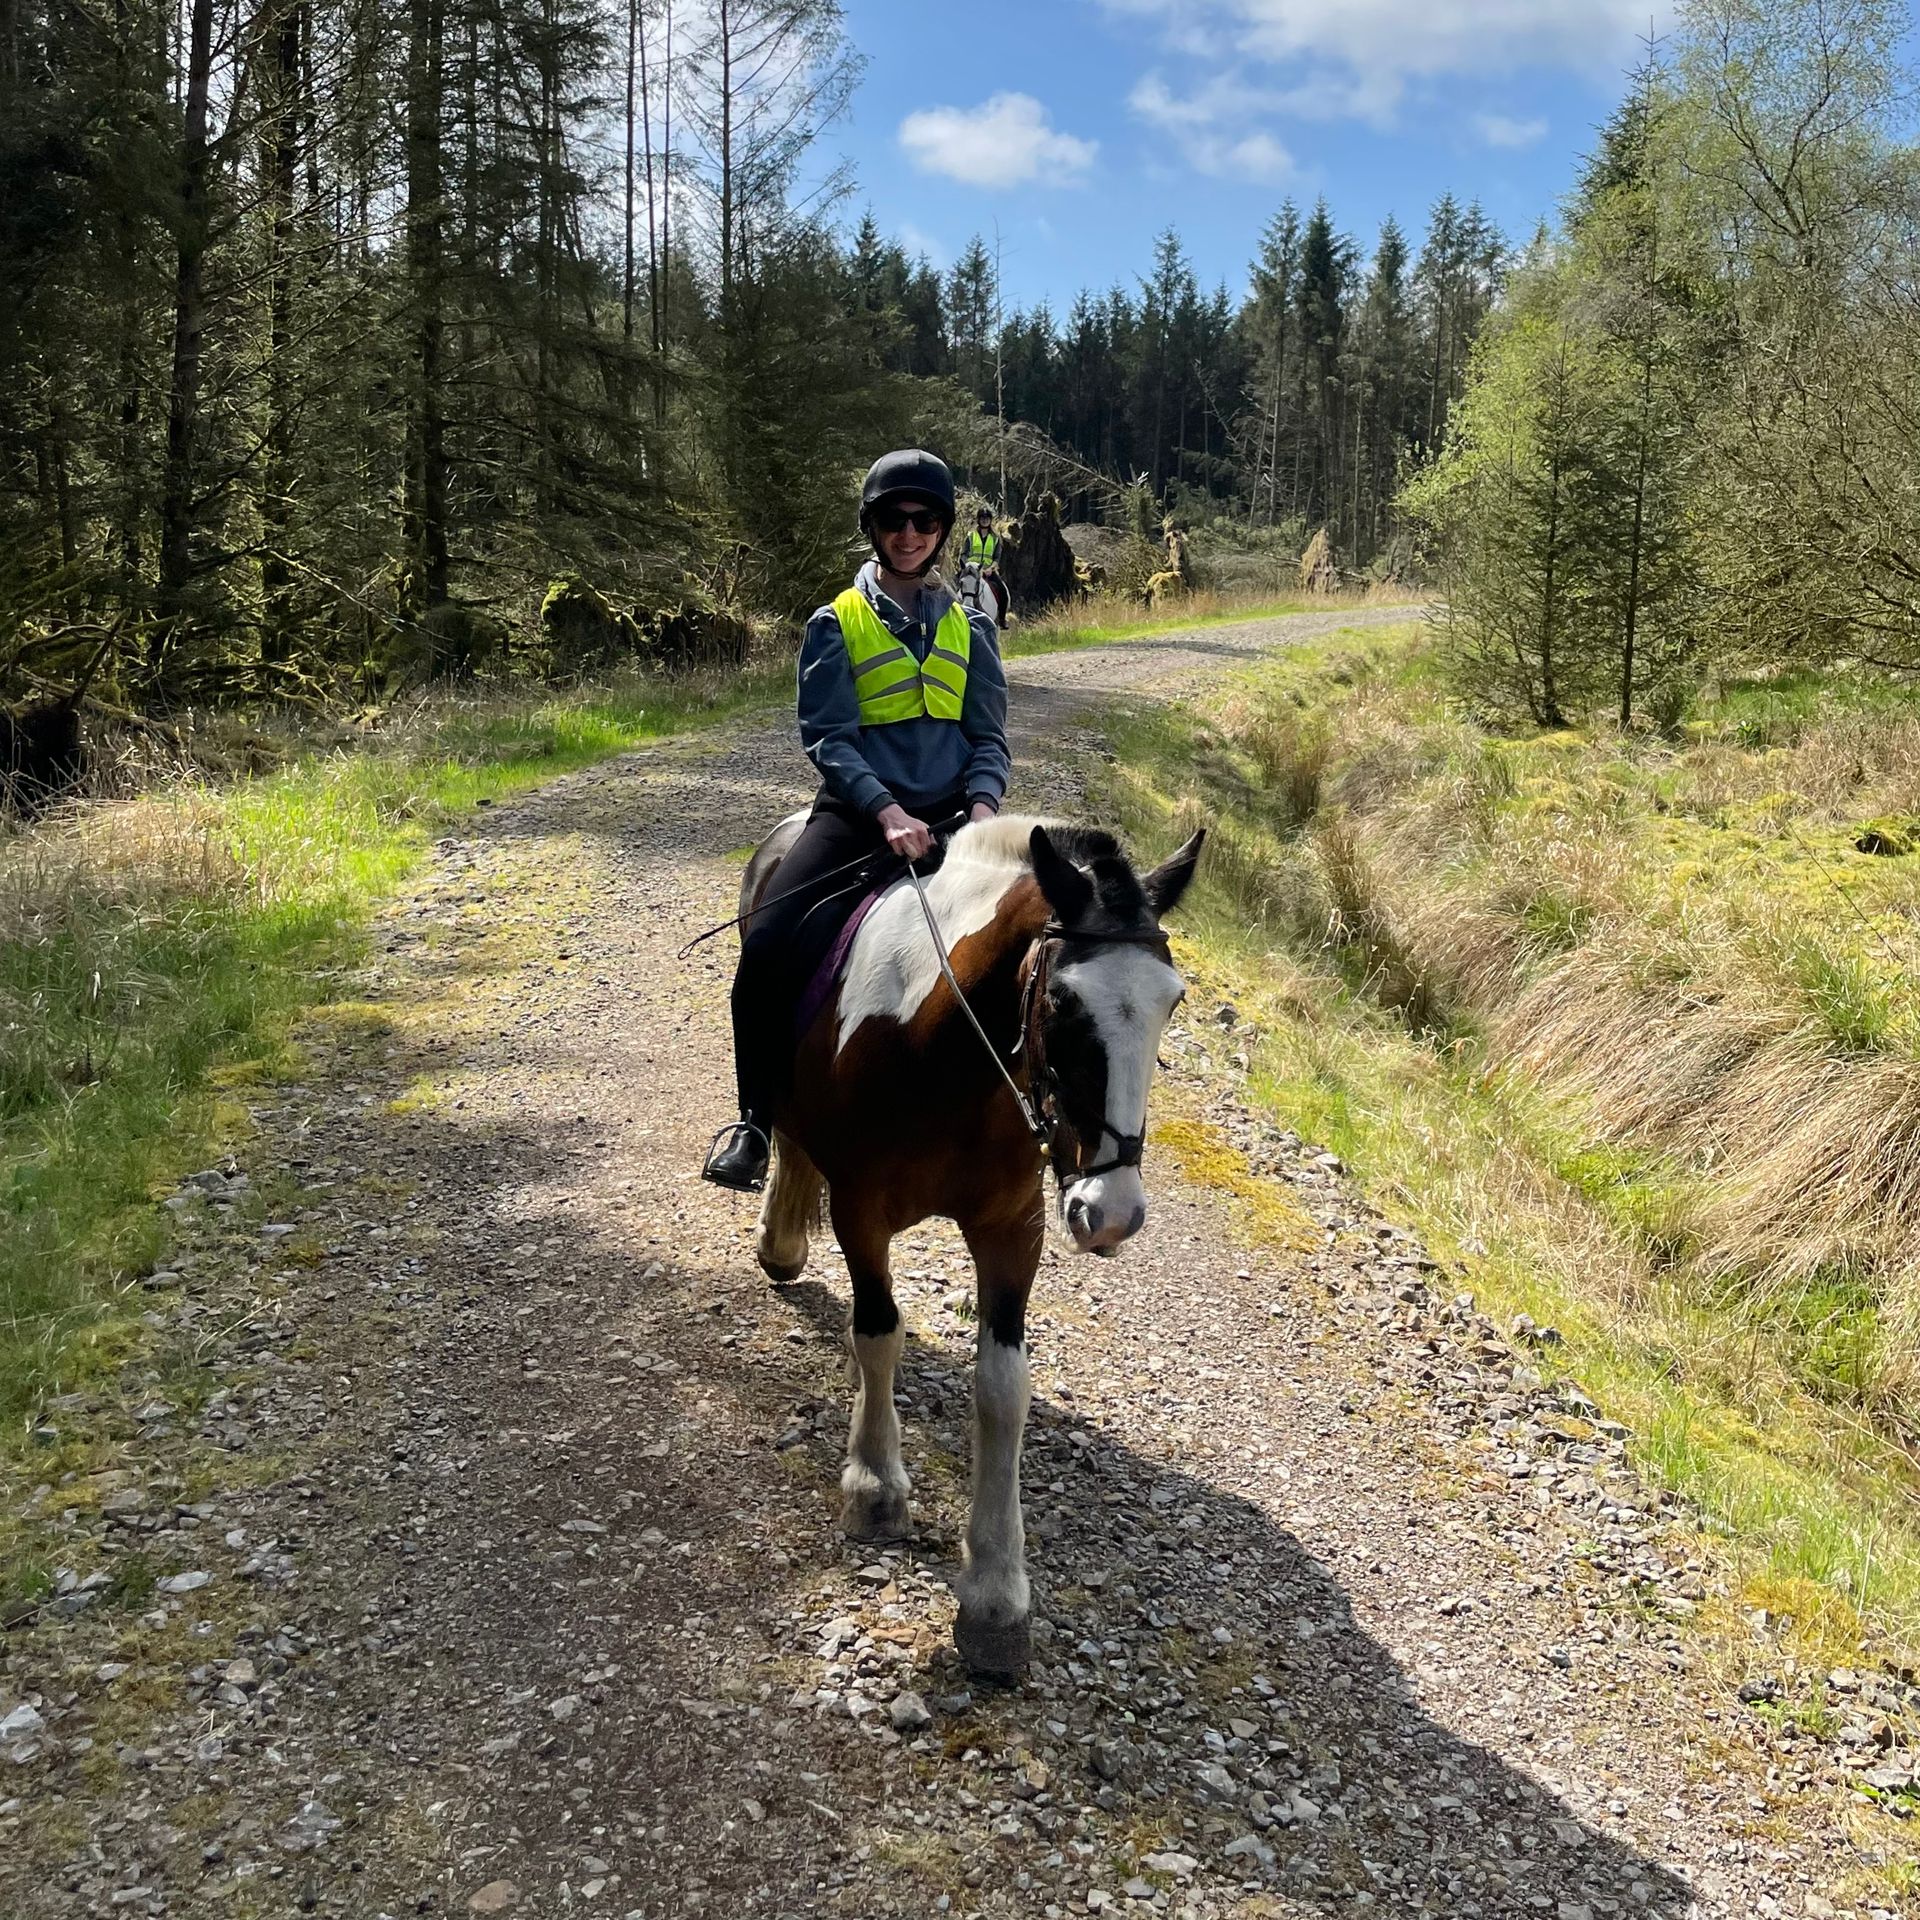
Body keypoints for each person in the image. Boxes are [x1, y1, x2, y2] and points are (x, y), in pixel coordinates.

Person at [702, 449, 1011, 1192]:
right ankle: (753, 1121)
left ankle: (1024, 1125)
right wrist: (887, 811)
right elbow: (829, 738)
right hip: (859, 816)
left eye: (923, 520)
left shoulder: (974, 629)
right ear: (872, 527)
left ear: (942, 530)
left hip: (954, 822)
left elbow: (989, 738)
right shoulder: (833, 623)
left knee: (1033, 954)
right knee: (769, 944)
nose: (908, 533)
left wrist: (982, 809)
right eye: (892, 520)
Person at [960, 507, 1009, 623]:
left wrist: (991, 568)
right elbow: (963, 554)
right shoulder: (971, 535)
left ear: (990, 520)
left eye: (987, 518)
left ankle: (1002, 619)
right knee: (951, 585)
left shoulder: (995, 538)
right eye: (982, 518)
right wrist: (968, 566)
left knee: (1003, 591)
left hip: (988, 571)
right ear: (978, 520)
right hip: (971, 570)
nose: (985, 520)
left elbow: (997, 557)